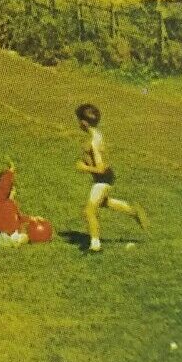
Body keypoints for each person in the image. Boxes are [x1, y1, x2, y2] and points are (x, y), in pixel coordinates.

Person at [74, 103, 148, 252]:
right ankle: (133, 210)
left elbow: (101, 168)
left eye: (78, 120)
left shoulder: (93, 142)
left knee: (89, 211)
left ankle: (95, 246)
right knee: (103, 202)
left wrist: (84, 167)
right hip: (105, 178)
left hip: (103, 179)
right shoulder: (97, 135)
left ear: (84, 123)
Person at [0, 165, 29, 248]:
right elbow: (4, 186)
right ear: (9, 191)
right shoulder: (0, 200)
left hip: (1, 238)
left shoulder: (10, 203)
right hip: (7, 237)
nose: (14, 193)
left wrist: (33, 219)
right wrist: (10, 173)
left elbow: (21, 218)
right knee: (25, 237)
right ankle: (15, 242)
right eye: (13, 190)